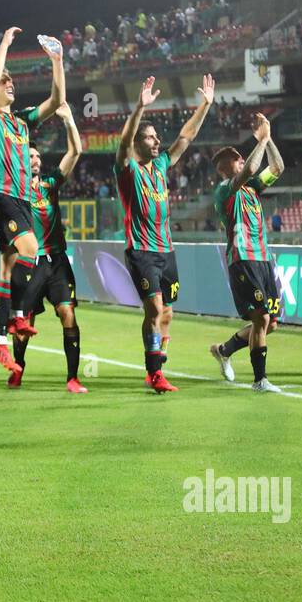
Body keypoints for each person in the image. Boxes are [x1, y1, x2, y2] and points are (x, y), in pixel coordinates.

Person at [115, 74, 215, 393]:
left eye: (157, 137)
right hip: (141, 252)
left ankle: (157, 357)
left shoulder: (159, 166)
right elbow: (123, 141)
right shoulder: (127, 170)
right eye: (149, 137)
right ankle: (155, 373)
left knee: (167, 313)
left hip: (166, 251)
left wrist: (205, 105)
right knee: (155, 309)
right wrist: (139, 109)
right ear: (136, 143)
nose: (157, 142)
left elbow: (185, 138)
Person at [0, 28, 65, 373]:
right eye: (5, 82)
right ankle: (16, 316)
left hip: (22, 198)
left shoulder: (21, 121)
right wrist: (5, 45)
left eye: (13, 82)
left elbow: (56, 102)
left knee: (10, 265)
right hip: (1, 193)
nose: (10, 84)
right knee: (31, 251)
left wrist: (57, 61)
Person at [9, 102, 86, 392]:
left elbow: (75, 153)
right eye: (30, 156)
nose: (36, 160)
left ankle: (72, 378)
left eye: (38, 156)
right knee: (24, 325)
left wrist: (68, 120)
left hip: (56, 262)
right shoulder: (14, 191)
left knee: (67, 313)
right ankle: (18, 367)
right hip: (32, 262)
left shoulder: (49, 185)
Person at [208, 116, 286, 393]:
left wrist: (269, 137)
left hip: (264, 258)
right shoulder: (225, 190)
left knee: (271, 323)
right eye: (234, 159)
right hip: (242, 258)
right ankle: (260, 381)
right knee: (261, 319)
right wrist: (261, 140)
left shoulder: (253, 188)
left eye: (240, 157)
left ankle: (225, 349)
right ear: (223, 168)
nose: (240, 160)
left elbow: (277, 167)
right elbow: (253, 165)